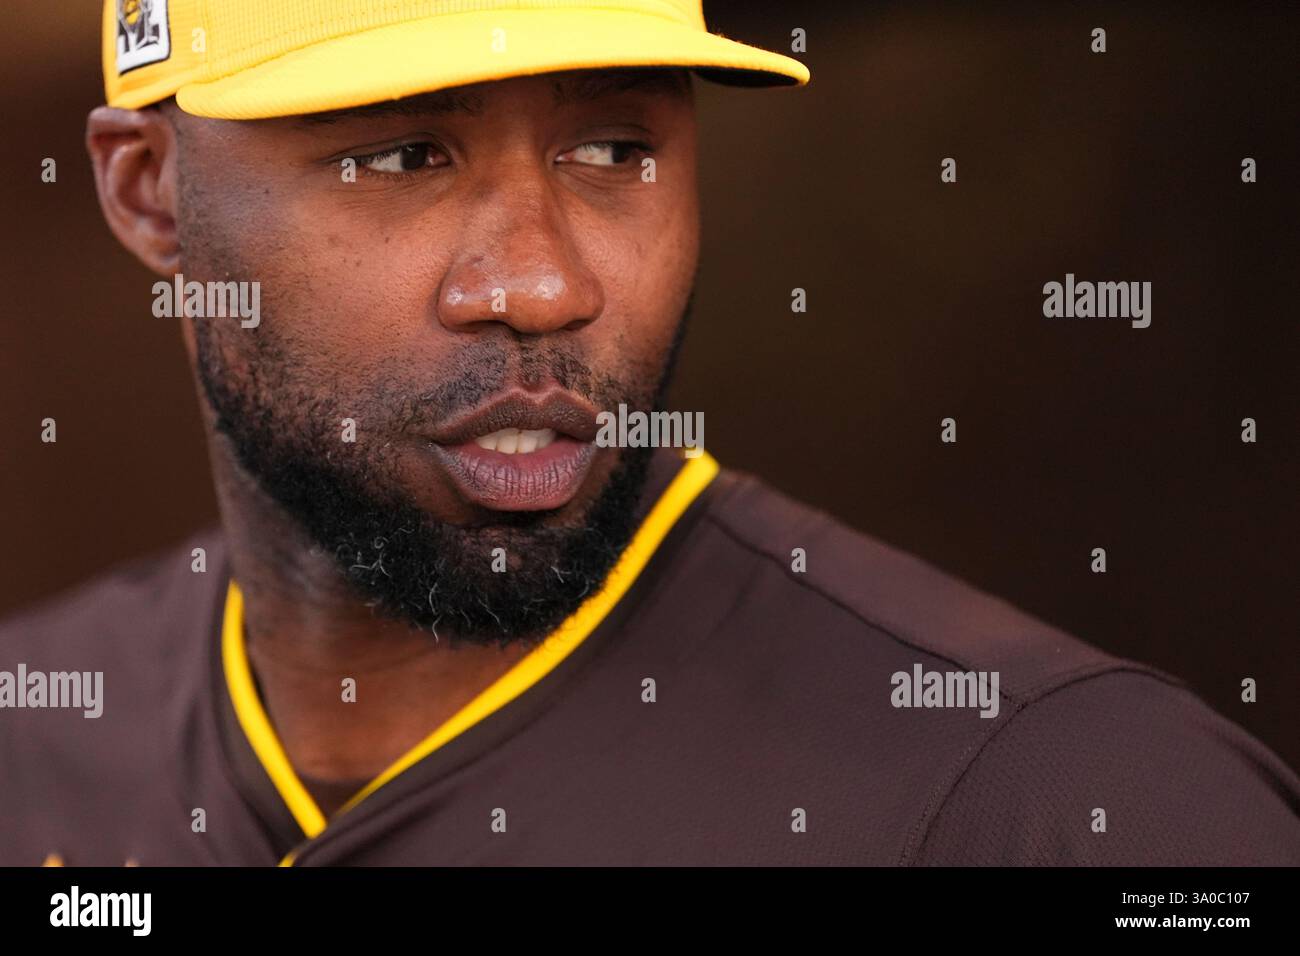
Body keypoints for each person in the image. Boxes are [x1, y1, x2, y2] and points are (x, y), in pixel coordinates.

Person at [2, 0, 1297, 866]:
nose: (542, 285)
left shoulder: (1074, 801)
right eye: (402, 158)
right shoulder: (30, 730)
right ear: (149, 194)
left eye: (615, 147)